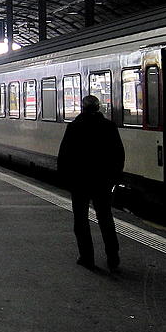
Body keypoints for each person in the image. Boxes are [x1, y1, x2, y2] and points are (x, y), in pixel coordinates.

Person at [57, 95, 124, 272]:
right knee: (106, 218)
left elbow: (64, 155)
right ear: (99, 107)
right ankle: (113, 256)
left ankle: (87, 257)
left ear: (83, 107)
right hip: (102, 181)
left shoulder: (74, 127)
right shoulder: (109, 127)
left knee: (81, 220)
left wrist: (65, 179)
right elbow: (119, 154)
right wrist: (114, 177)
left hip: (79, 182)